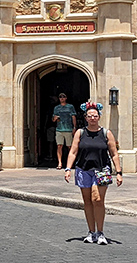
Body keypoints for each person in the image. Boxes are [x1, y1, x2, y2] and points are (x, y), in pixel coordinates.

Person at [64, 101, 123, 245]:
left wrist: (119, 172)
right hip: (83, 169)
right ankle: (91, 232)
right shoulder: (80, 133)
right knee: (87, 201)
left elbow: (114, 153)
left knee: (97, 199)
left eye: (95, 116)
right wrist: (67, 169)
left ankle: (100, 232)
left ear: (99, 117)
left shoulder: (106, 133)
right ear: (86, 117)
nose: (92, 118)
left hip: (102, 169)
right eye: (89, 116)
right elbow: (73, 151)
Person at [52, 93, 77, 169]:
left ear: (66, 98)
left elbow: (73, 117)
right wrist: (55, 118)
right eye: (60, 97)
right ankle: (60, 163)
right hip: (59, 129)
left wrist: (74, 127)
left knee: (69, 146)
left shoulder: (70, 107)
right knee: (59, 146)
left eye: (63, 97)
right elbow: (53, 119)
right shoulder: (57, 108)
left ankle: (70, 162)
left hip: (68, 129)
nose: (62, 98)